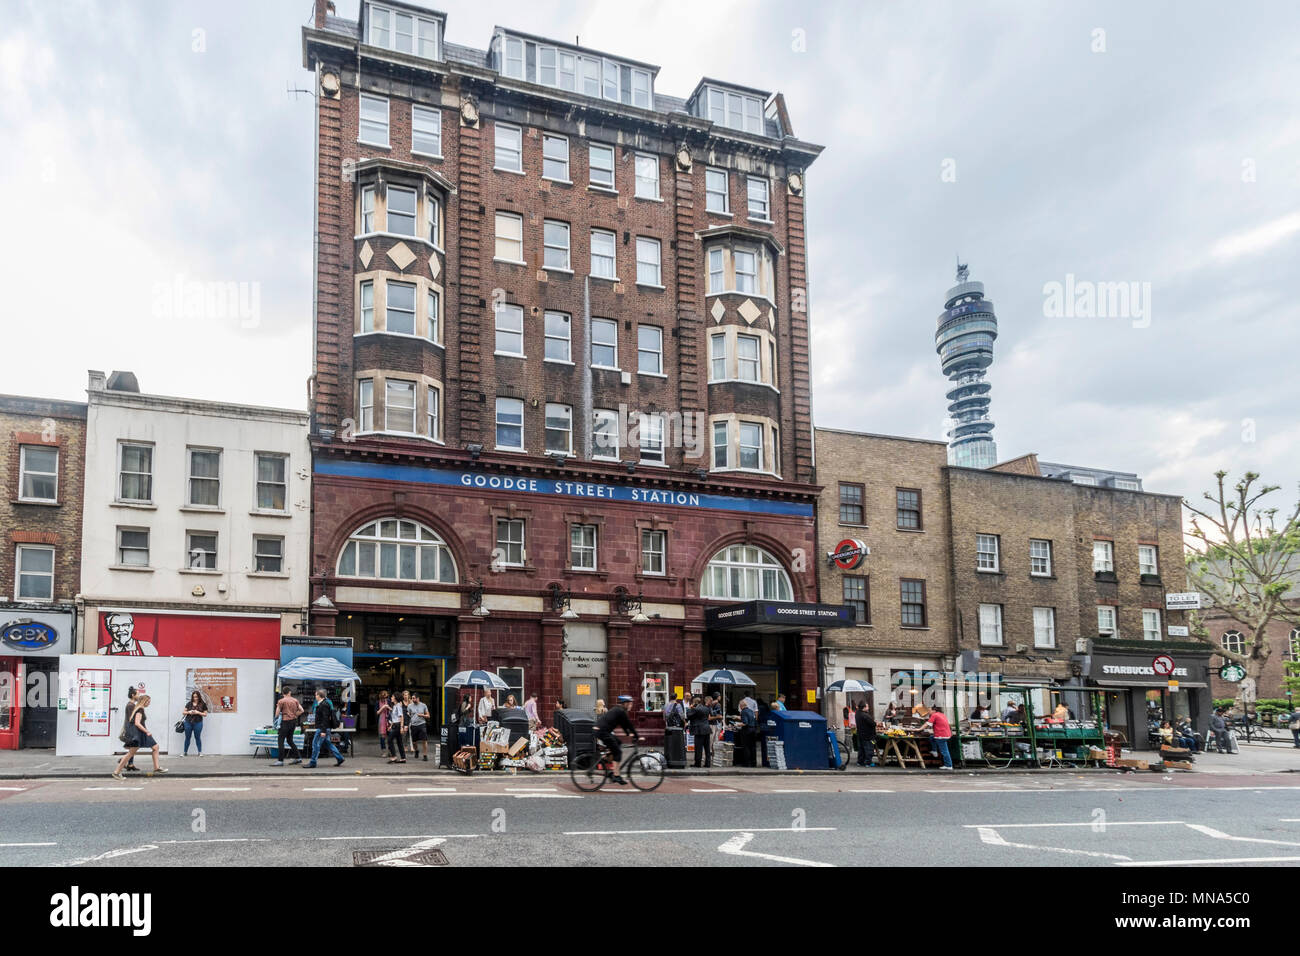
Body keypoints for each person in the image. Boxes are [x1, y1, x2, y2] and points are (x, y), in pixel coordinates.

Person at [112, 694, 166, 778]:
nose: (149, 703)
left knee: (155, 747)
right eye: (148, 701)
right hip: (139, 734)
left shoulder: (138, 708)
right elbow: (137, 723)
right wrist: (147, 731)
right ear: (144, 701)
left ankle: (156, 767)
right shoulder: (140, 709)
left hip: (140, 733)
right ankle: (116, 772)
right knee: (130, 753)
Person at [594, 694, 642, 785]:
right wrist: (636, 736)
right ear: (625, 704)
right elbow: (628, 724)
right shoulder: (620, 711)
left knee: (618, 742)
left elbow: (623, 724)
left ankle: (608, 758)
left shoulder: (619, 710)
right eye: (630, 704)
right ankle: (616, 776)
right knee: (618, 752)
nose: (631, 706)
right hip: (602, 731)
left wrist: (628, 734)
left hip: (603, 731)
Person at [303, 688, 345, 768]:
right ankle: (340, 758)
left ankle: (313, 762)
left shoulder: (324, 705)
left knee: (315, 744)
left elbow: (325, 718)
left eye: (316, 695)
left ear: (319, 696)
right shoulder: (322, 703)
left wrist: (323, 731)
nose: (315, 696)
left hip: (322, 728)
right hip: (325, 728)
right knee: (328, 743)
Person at [271, 688, 304, 766]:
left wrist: (276, 720)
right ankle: (298, 758)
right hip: (293, 722)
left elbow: (277, 713)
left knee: (280, 740)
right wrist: (295, 714)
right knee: (290, 740)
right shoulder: (295, 700)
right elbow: (302, 710)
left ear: (283, 693)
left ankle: (280, 761)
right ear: (290, 692)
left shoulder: (281, 701)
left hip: (285, 722)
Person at [924, 705, 954, 769]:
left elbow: (927, 724)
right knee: (932, 738)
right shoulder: (941, 714)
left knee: (944, 751)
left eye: (930, 710)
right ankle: (934, 751)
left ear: (934, 710)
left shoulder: (934, 715)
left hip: (941, 735)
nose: (929, 712)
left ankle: (948, 765)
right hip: (946, 734)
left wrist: (918, 729)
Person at [689, 695, 713, 768]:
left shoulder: (696, 709)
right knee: (707, 748)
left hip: (699, 730)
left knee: (698, 748)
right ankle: (708, 763)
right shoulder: (706, 708)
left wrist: (690, 708)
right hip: (707, 729)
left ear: (694, 703)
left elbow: (689, 716)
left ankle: (698, 763)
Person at [120, 686, 140, 773]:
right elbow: (131, 719)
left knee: (132, 747)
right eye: (138, 694)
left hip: (131, 728)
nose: (139, 696)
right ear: (133, 695)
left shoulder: (132, 705)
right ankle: (123, 760)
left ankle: (130, 764)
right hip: (131, 729)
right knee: (133, 747)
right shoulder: (130, 705)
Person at [181, 690, 208, 756]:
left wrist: (198, 712)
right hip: (188, 722)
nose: (195, 698)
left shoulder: (203, 704)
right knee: (187, 737)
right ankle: (185, 752)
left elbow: (205, 714)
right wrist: (189, 712)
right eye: (194, 697)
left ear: (199, 696)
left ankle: (200, 752)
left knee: (197, 737)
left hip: (198, 723)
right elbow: (183, 712)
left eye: (196, 697)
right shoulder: (189, 703)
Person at [408, 692, 430, 761]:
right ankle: (416, 750)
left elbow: (428, 716)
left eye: (413, 698)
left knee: (424, 740)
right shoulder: (410, 706)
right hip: (414, 725)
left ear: (418, 698)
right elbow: (408, 713)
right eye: (412, 698)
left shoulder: (423, 705)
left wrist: (422, 715)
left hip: (422, 724)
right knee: (414, 742)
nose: (412, 699)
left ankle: (425, 755)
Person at [387, 693, 408, 763]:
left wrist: (401, 727)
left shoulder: (398, 705)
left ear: (395, 698)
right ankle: (403, 758)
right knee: (399, 742)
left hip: (397, 726)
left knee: (389, 740)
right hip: (395, 725)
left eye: (392, 696)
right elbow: (394, 718)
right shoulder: (395, 706)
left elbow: (401, 717)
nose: (391, 698)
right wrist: (390, 726)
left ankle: (394, 756)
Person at [855, 702, 877, 767]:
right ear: (864, 708)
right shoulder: (865, 715)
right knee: (869, 749)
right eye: (867, 706)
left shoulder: (857, 713)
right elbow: (873, 724)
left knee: (861, 749)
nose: (868, 708)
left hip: (860, 734)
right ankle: (868, 762)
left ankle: (860, 762)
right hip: (868, 735)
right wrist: (875, 723)